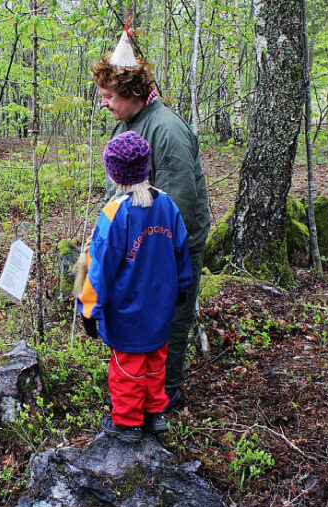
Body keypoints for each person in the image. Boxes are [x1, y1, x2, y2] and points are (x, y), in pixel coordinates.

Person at [92, 30, 210, 409]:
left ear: (130, 92)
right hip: (139, 246)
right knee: (138, 319)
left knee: (169, 320)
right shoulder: (127, 123)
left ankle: (165, 395)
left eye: (110, 97)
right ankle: (136, 393)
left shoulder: (167, 130)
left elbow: (181, 207)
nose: (105, 104)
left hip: (168, 249)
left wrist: (152, 257)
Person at [77, 131, 192, 442]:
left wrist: (89, 309)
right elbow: (182, 249)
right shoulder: (166, 204)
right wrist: (183, 287)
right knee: (156, 360)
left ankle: (128, 422)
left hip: (127, 311)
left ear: (114, 173)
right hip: (161, 306)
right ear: (145, 166)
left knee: (127, 366)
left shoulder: (116, 212)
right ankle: (155, 414)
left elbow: (98, 266)